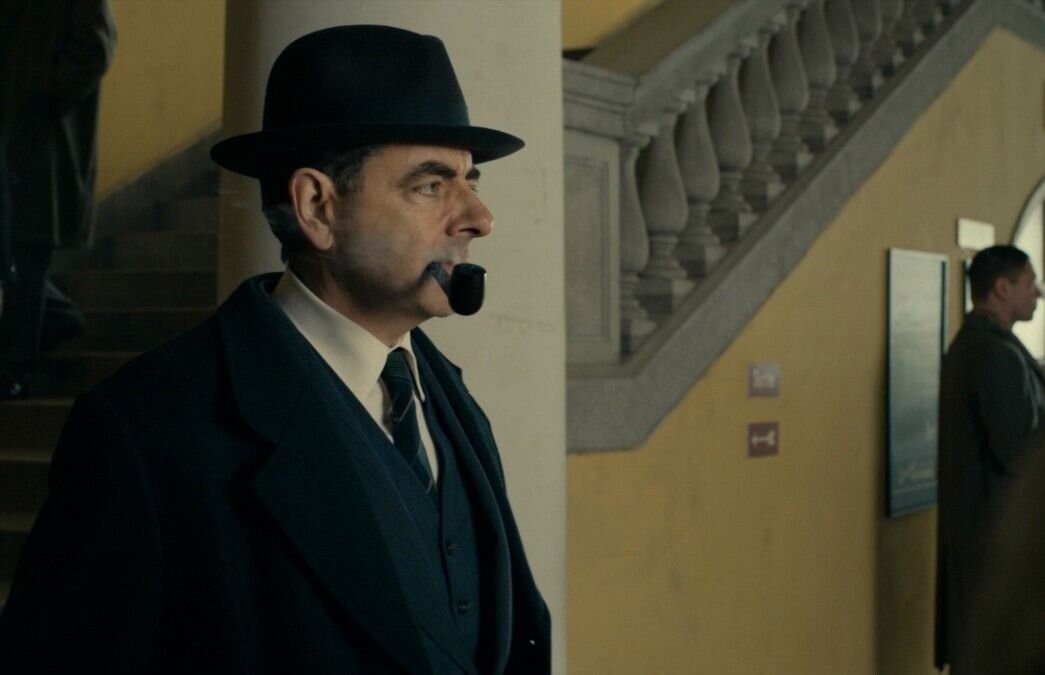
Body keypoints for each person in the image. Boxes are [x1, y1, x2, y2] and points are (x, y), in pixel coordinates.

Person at [0, 24, 551, 674]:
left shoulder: (449, 398)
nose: (479, 217)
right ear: (316, 207)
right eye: (430, 186)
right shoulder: (147, 432)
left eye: (470, 180)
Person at [935, 244, 1045, 674]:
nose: (1038, 293)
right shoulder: (993, 354)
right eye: (1030, 283)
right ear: (1002, 288)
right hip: (995, 545)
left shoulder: (983, 346)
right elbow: (1020, 452)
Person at [0, 0, 115, 399]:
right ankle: (56, 319)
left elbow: (95, 49)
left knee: (26, 248)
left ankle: (15, 365)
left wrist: (42, 93)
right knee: (16, 254)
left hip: (40, 141)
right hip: (15, 136)